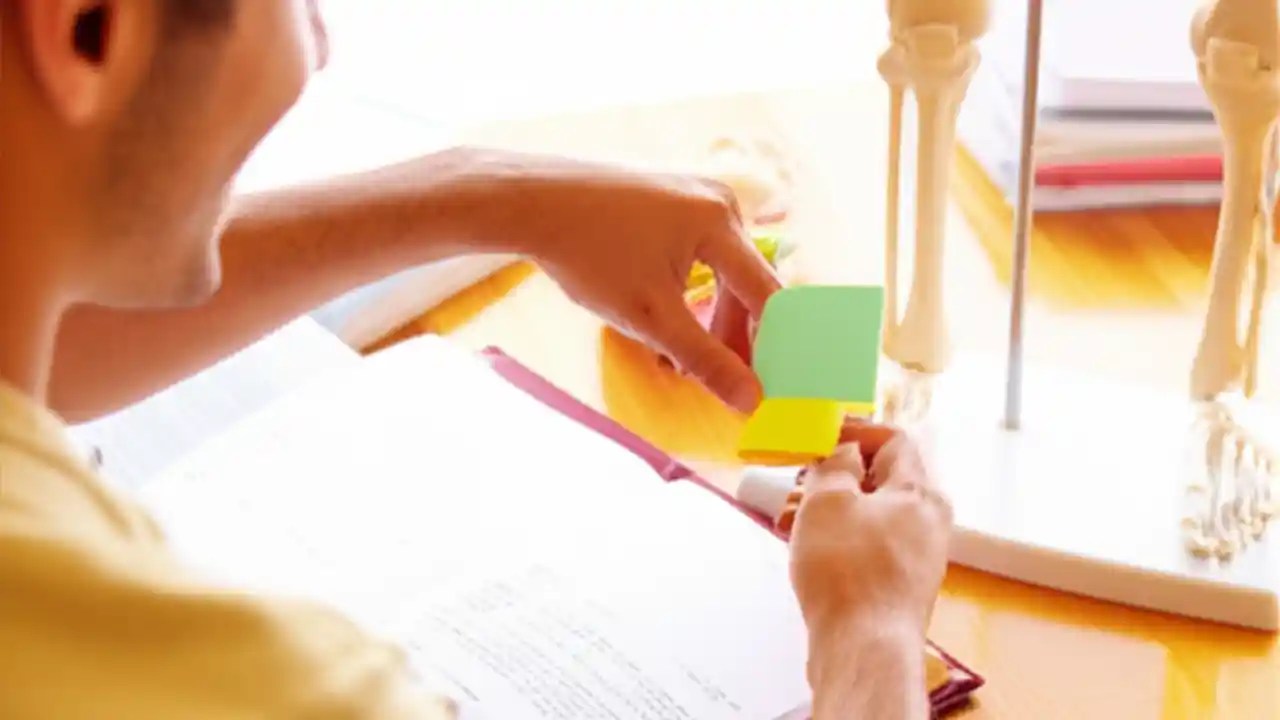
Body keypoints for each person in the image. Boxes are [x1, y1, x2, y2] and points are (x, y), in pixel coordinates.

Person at [0, 1, 953, 718]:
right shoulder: (246, 687)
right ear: (86, 27)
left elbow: (60, 322)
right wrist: (868, 636)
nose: (320, 46)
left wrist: (483, 193)